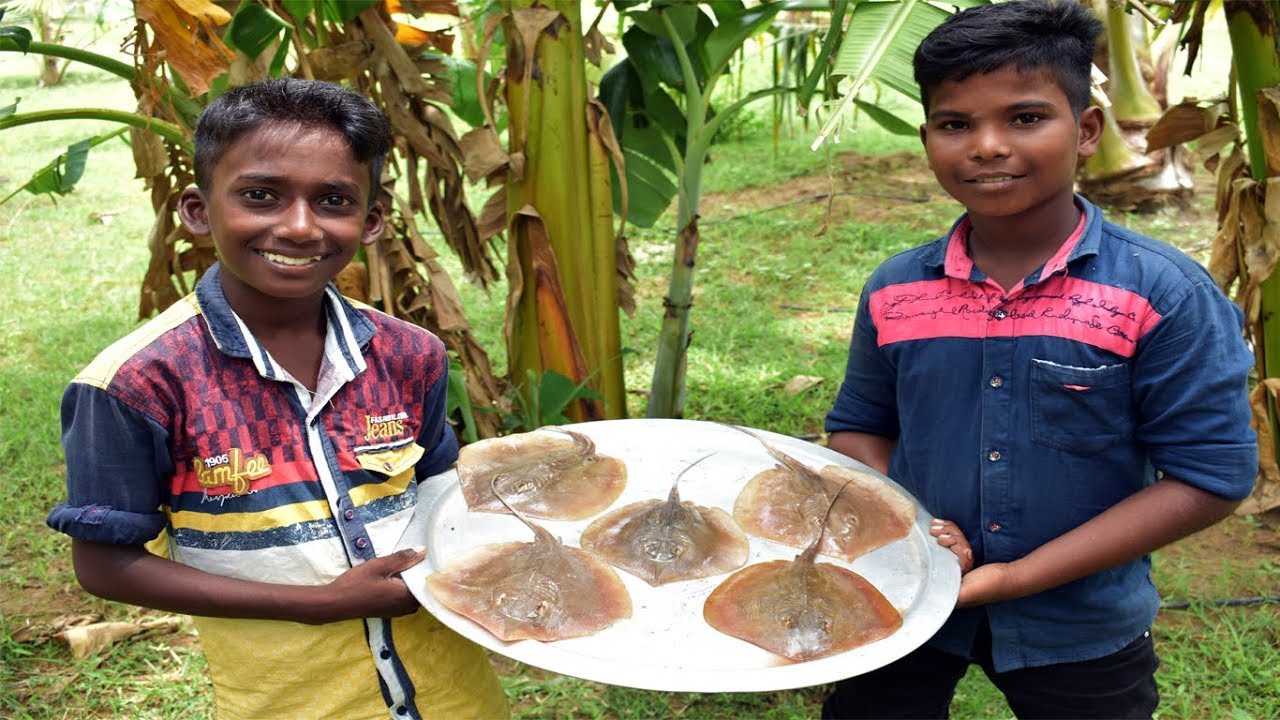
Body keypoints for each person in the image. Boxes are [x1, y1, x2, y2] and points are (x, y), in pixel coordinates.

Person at [821, 1, 1257, 718]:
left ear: (1087, 131)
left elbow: (1210, 476)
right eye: (955, 124)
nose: (986, 146)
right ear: (926, 135)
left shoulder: (1162, 295)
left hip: (1081, 623)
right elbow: (860, 427)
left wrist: (1019, 577)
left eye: (1025, 118)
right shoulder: (895, 290)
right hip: (901, 596)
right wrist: (912, 530)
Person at [46, 78, 508, 719]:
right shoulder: (134, 384)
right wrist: (319, 604)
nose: (298, 227)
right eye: (260, 196)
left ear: (370, 221)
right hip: (288, 701)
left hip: (455, 695)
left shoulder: (412, 355)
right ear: (198, 210)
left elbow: (439, 492)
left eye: (333, 200)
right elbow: (104, 564)